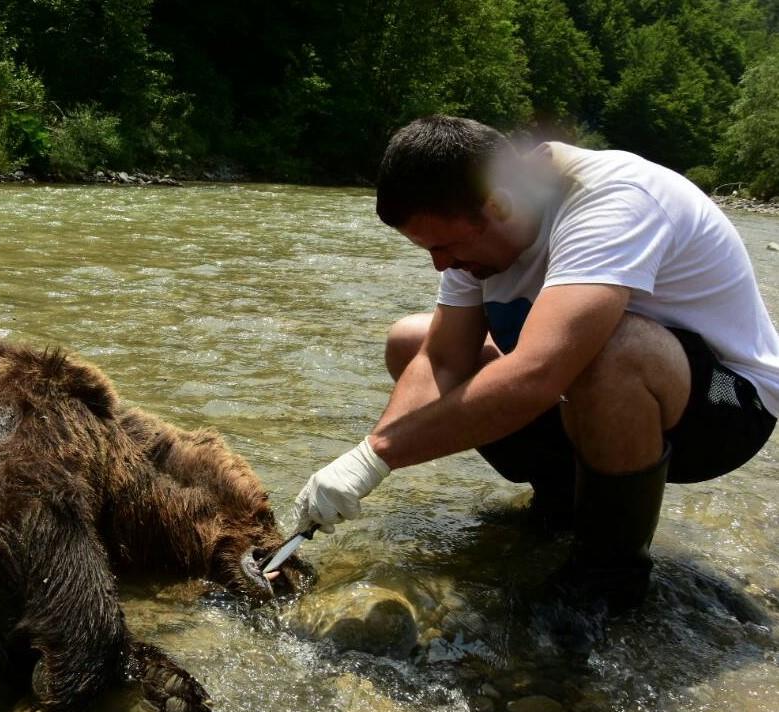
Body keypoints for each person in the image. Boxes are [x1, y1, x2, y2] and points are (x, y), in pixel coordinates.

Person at [291, 115, 779, 611]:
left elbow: (538, 375)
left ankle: (609, 578)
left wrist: (382, 454)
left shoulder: (612, 199)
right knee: (410, 340)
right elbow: (441, 359)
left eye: (444, 247)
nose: (439, 264)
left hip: (728, 404)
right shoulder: (473, 231)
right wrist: (360, 460)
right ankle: (561, 503)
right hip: (596, 391)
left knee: (611, 350)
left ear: (498, 206)